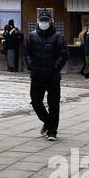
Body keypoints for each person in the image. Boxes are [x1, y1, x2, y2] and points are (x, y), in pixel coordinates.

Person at [24, 11, 68, 140]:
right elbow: (27, 53)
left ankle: (52, 131)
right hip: (36, 74)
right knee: (36, 102)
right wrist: (30, 65)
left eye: (46, 20)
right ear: (38, 21)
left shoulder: (58, 36)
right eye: (41, 20)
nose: (43, 23)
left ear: (50, 21)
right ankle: (48, 122)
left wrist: (56, 67)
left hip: (52, 76)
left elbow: (64, 54)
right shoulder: (32, 36)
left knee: (53, 103)